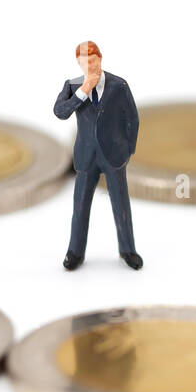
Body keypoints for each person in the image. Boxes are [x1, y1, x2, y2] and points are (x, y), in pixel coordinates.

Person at [53, 41, 143, 271]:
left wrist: (128, 149)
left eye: (93, 61)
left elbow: (132, 119)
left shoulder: (118, 86)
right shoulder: (73, 86)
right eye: (84, 62)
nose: (89, 66)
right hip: (86, 155)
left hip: (113, 155)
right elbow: (60, 112)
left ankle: (128, 250)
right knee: (80, 205)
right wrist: (82, 92)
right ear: (79, 63)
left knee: (121, 203)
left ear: (100, 59)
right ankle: (75, 252)